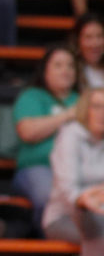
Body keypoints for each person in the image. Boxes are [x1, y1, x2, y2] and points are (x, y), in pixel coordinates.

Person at [42, 86, 104, 244]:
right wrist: (83, 200)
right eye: (96, 106)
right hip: (66, 216)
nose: (103, 113)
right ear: (85, 110)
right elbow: (67, 189)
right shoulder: (70, 136)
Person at [11, 47, 81, 220]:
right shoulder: (31, 96)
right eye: (58, 65)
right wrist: (67, 115)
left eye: (70, 66)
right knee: (47, 196)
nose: (66, 70)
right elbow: (27, 132)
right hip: (38, 168)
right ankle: (51, 243)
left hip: (79, 169)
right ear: (45, 71)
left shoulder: (83, 99)